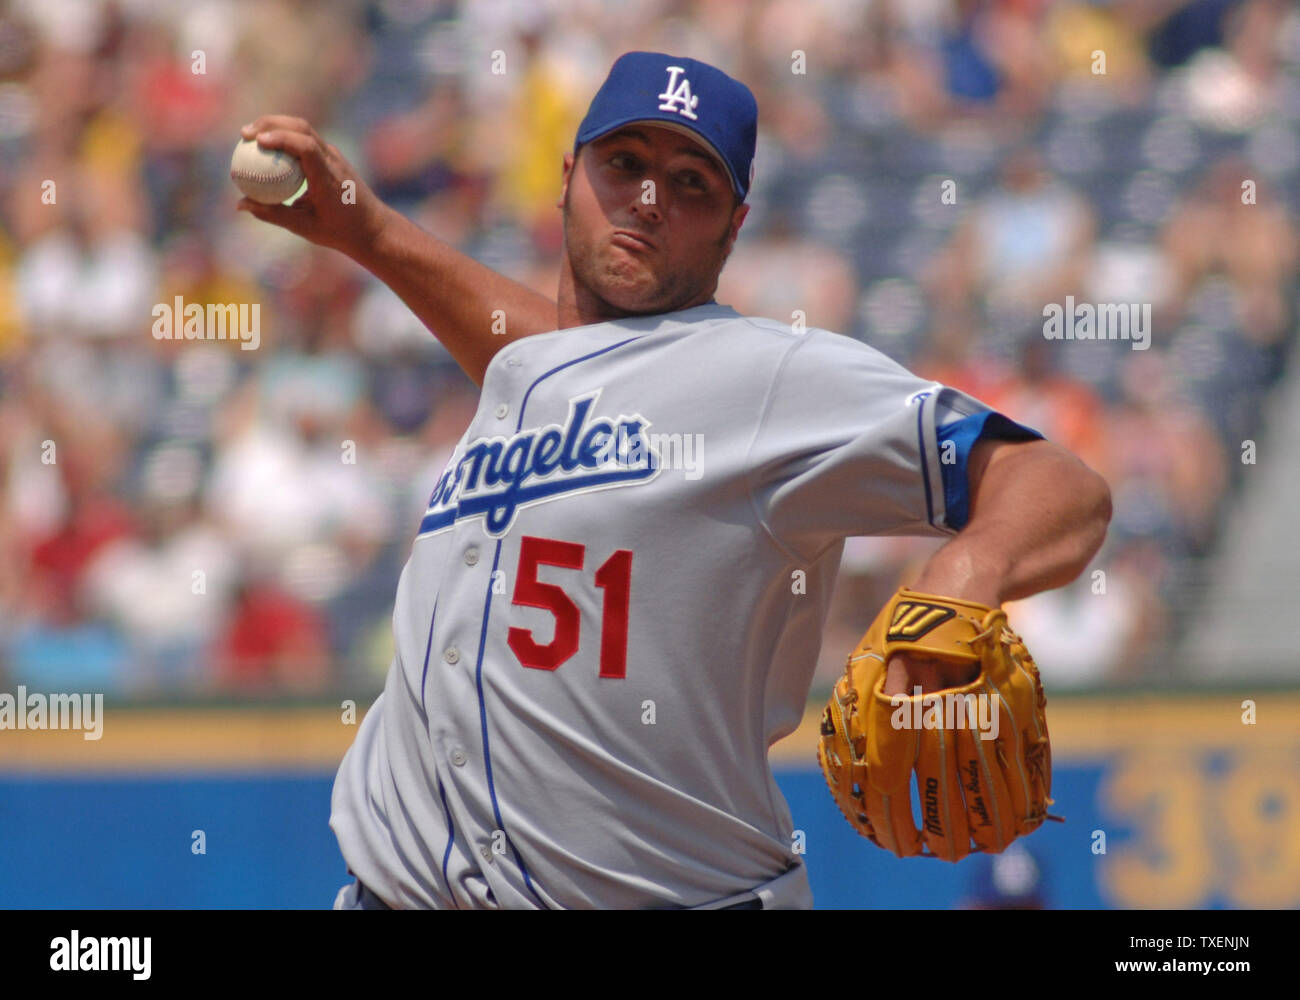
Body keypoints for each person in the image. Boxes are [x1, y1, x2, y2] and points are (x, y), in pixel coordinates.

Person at [239, 52, 1111, 910]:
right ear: (568, 176)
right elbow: (554, 360)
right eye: (625, 165)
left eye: (692, 182)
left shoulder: (768, 378)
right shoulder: (538, 375)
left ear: (733, 228)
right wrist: (370, 232)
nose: (650, 198)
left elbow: (1059, 483)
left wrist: (965, 575)